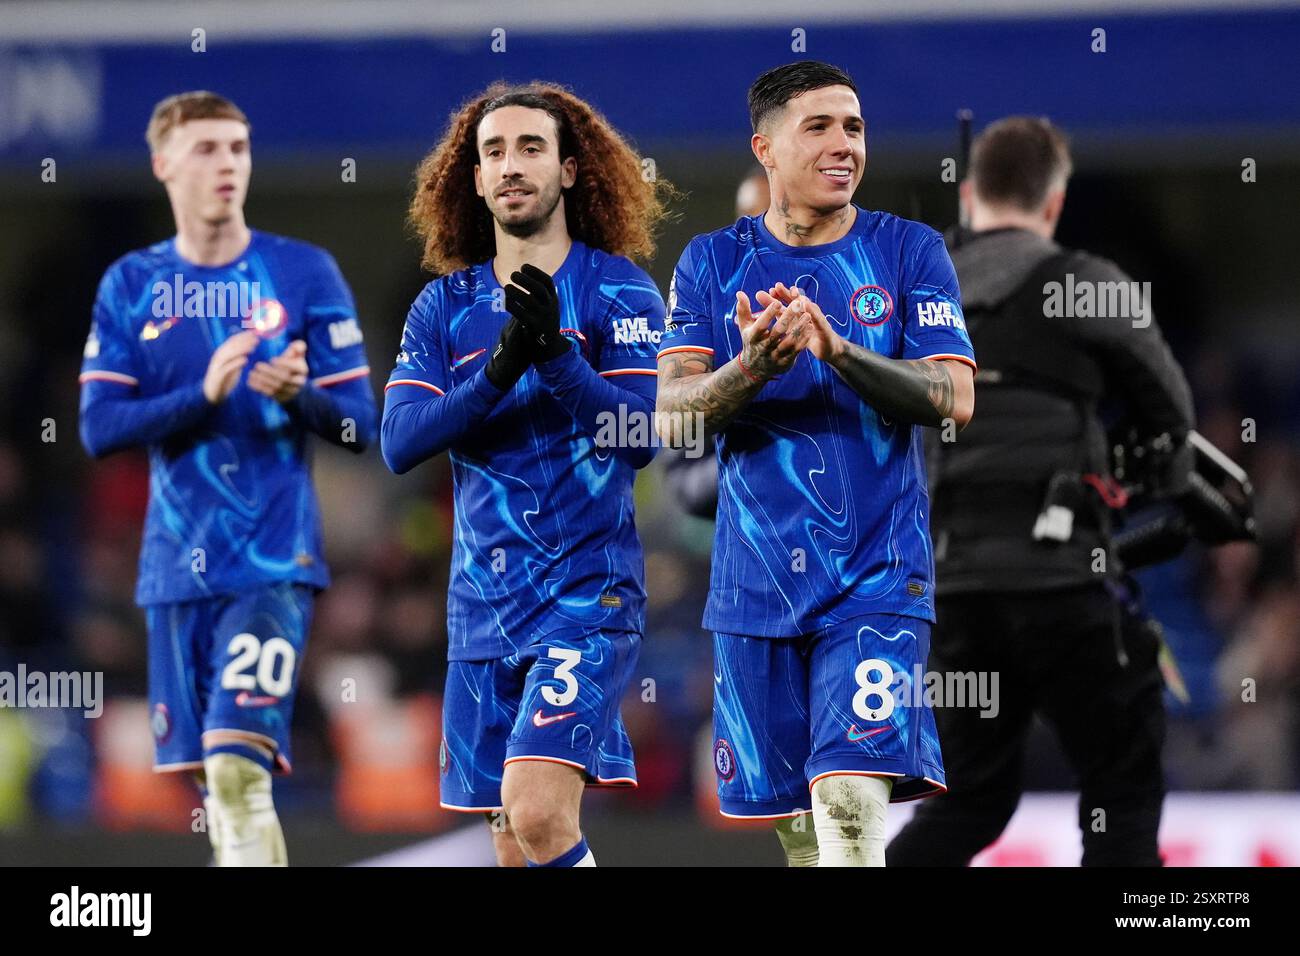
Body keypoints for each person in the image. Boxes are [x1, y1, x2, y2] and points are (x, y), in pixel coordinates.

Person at [656, 60, 975, 867]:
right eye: (820, 127)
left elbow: (952, 395)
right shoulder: (709, 262)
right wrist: (751, 368)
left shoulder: (907, 251)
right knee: (803, 841)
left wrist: (836, 349)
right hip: (753, 593)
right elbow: (670, 411)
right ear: (765, 148)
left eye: (855, 127)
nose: (844, 145)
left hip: (876, 579)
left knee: (849, 813)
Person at [78, 91, 377, 866]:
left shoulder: (303, 272)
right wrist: (200, 397)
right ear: (163, 163)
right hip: (175, 572)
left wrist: (297, 395)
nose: (227, 165)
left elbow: (363, 428)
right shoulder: (131, 284)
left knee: (237, 775)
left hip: (272, 564)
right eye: (207, 148)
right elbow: (97, 428)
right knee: (220, 792)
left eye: (239, 149)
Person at [887, 116, 1194, 866]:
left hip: (954, 597)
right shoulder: (1087, 285)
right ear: (1053, 203)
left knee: (970, 800)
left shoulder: (910, 293)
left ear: (968, 194)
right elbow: (1172, 417)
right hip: (1064, 586)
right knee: (1121, 790)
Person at [380, 82, 672, 867]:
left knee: (539, 814)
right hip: (482, 612)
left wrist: (556, 356)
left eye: (531, 148)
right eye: (495, 152)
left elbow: (639, 434)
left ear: (572, 170)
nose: (512, 165)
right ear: (474, 179)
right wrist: (500, 370)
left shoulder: (619, 289)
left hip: (587, 594)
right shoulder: (443, 308)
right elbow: (400, 442)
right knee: (514, 848)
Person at [662, 167, 769, 519]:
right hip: (747, 547)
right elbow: (686, 480)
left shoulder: (837, 307)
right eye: (752, 223)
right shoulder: (706, 313)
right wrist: (772, 461)